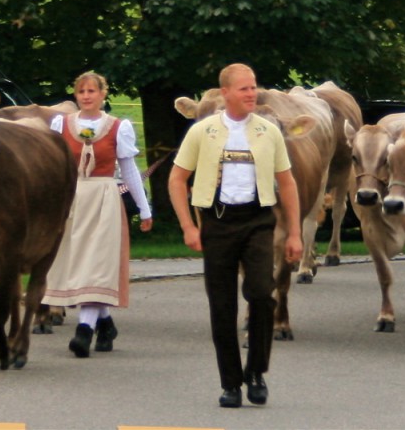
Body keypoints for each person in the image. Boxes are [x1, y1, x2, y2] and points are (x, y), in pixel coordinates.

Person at [168, 63, 302, 409]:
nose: (251, 93)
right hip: (217, 222)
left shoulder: (267, 131)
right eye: (243, 88)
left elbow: (286, 182)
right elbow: (177, 178)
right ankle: (230, 383)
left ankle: (256, 372)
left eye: (253, 87)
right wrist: (188, 225)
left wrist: (295, 234)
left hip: (258, 219)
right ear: (225, 93)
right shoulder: (203, 131)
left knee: (261, 293)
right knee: (222, 305)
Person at [43, 72, 153, 358]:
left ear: (103, 94)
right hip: (73, 197)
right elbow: (54, 167)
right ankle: (104, 323)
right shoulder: (62, 125)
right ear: (76, 95)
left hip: (105, 197)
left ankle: (84, 331)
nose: (87, 96)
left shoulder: (118, 127)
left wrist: (143, 207)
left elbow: (128, 169)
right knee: (80, 263)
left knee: (97, 263)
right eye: (81, 91)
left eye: (92, 91)